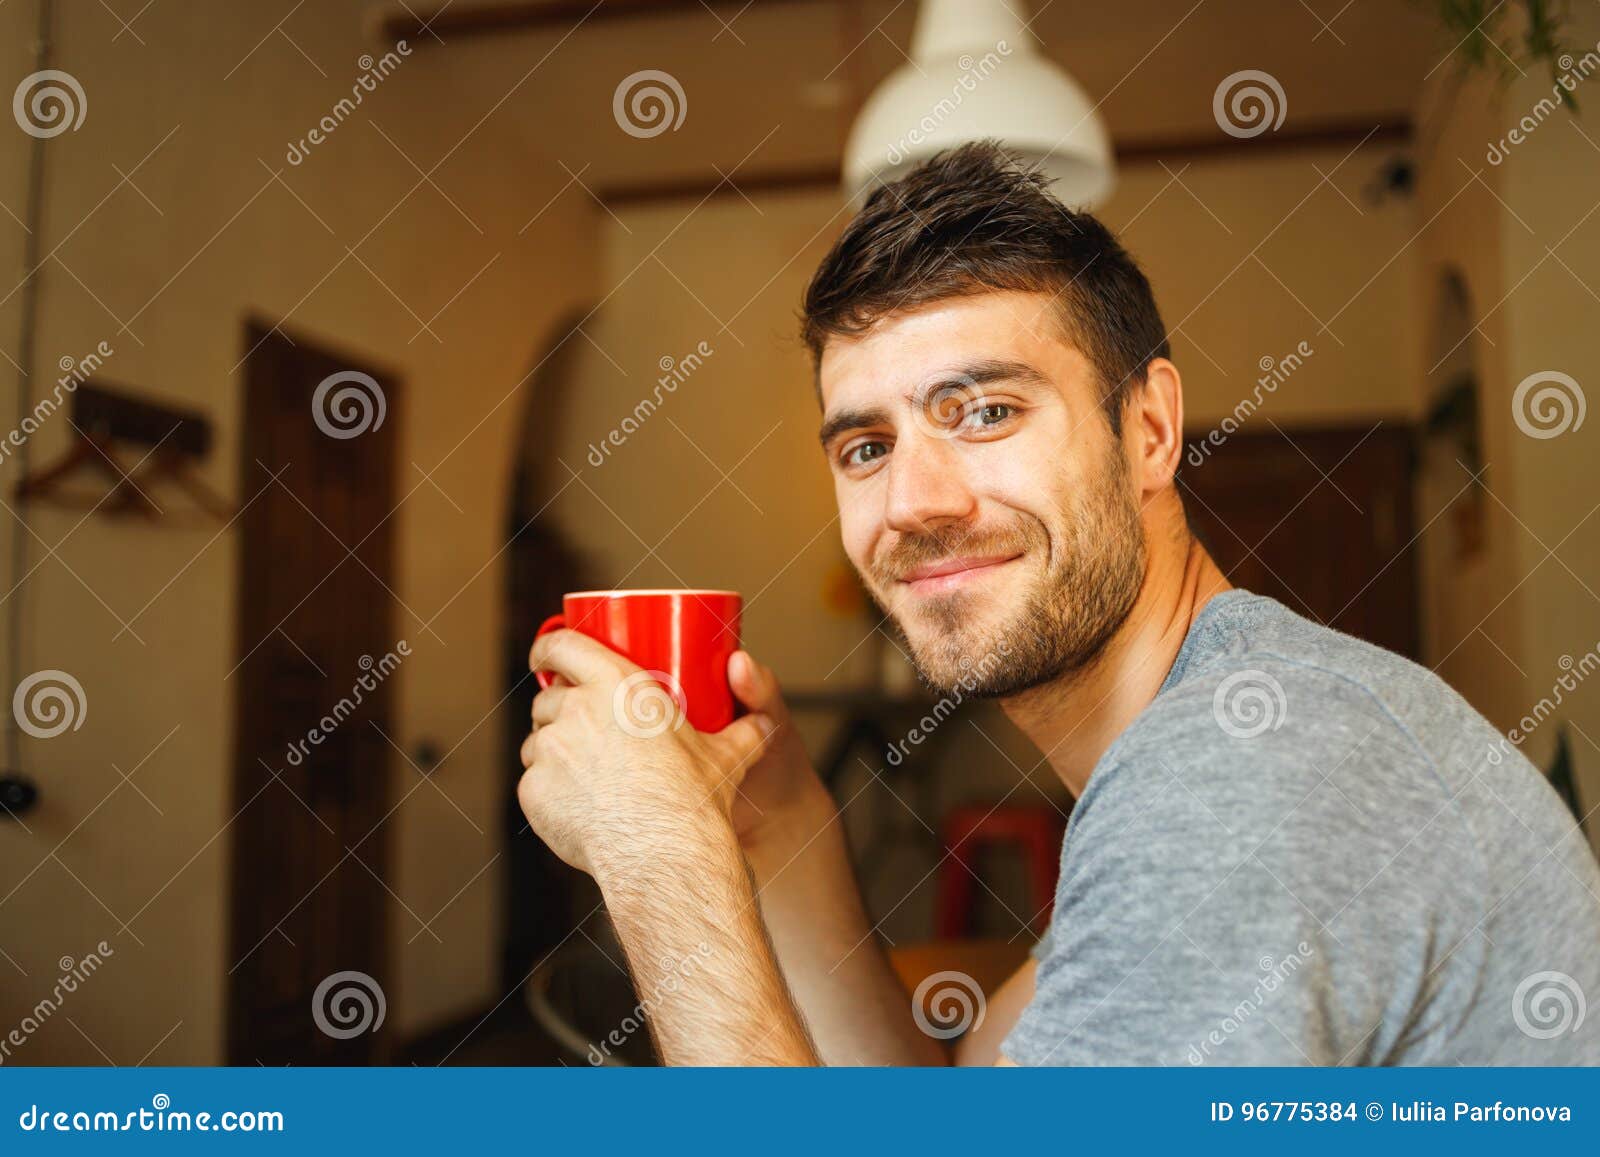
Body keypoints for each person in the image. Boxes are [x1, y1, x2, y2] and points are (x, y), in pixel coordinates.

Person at [516, 141, 1600, 1066]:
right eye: (865, 444)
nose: (914, 504)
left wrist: (656, 853)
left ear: (1149, 430)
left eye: (984, 410)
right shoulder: (1201, 733)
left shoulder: (1233, 779)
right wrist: (783, 827)